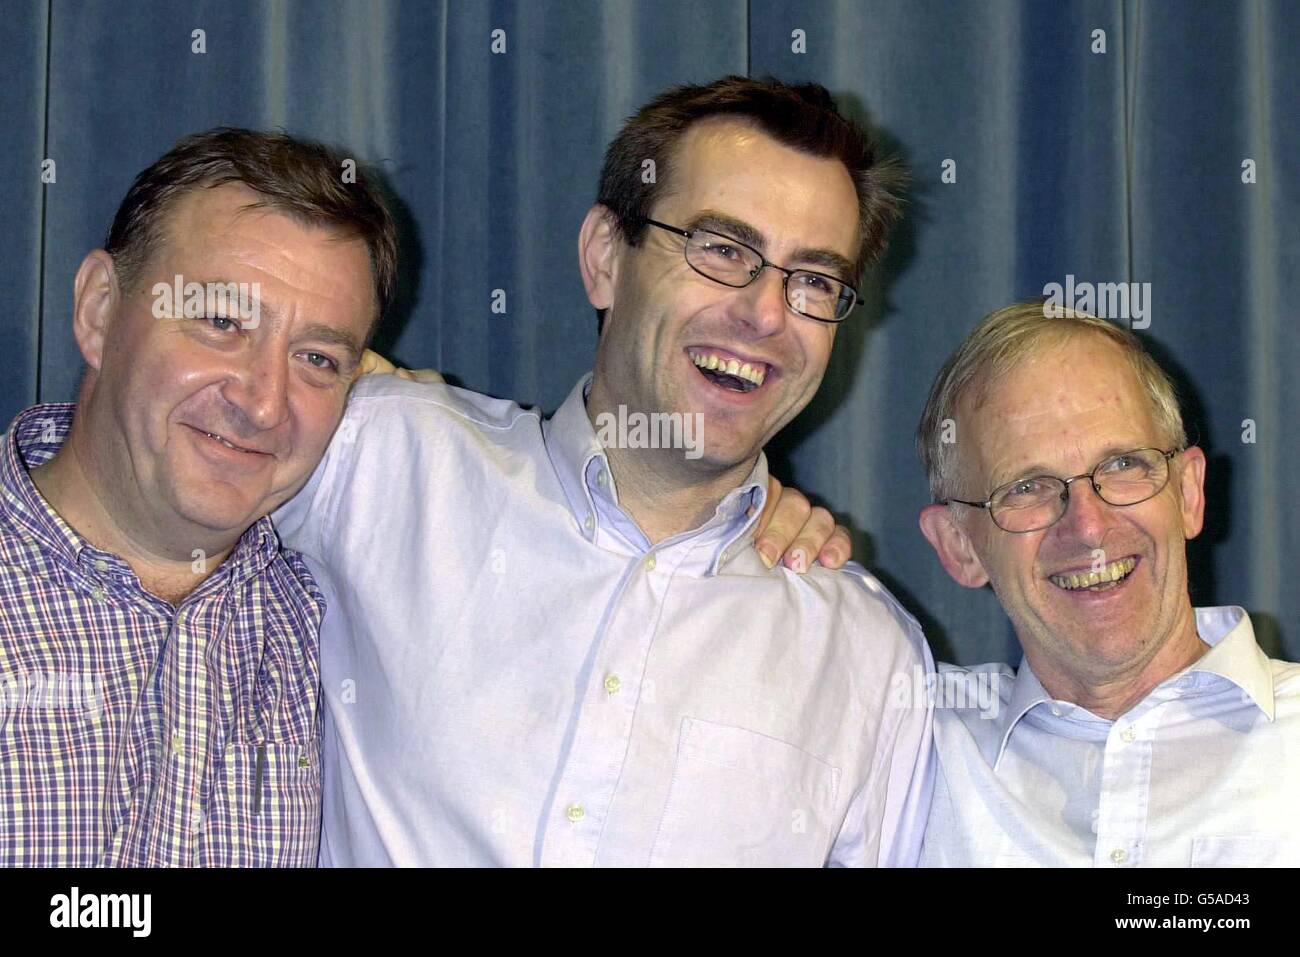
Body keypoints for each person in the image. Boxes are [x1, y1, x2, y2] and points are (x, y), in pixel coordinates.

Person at [274, 75, 936, 867]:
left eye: (815, 281)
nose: (765, 313)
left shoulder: (866, 655)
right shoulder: (380, 457)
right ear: (604, 258)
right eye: (723, 249)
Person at [0, 127, 396, 866]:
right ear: (98, 311)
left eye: (317, 358)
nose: (264, 403)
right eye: (221, 322)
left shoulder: (346, 625)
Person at [913, 301, 1300, 866]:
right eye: (1027, 487)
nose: (1089, 526)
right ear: (960, 546)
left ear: (1189, 493)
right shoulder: (909, 754)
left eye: (1123, 465)